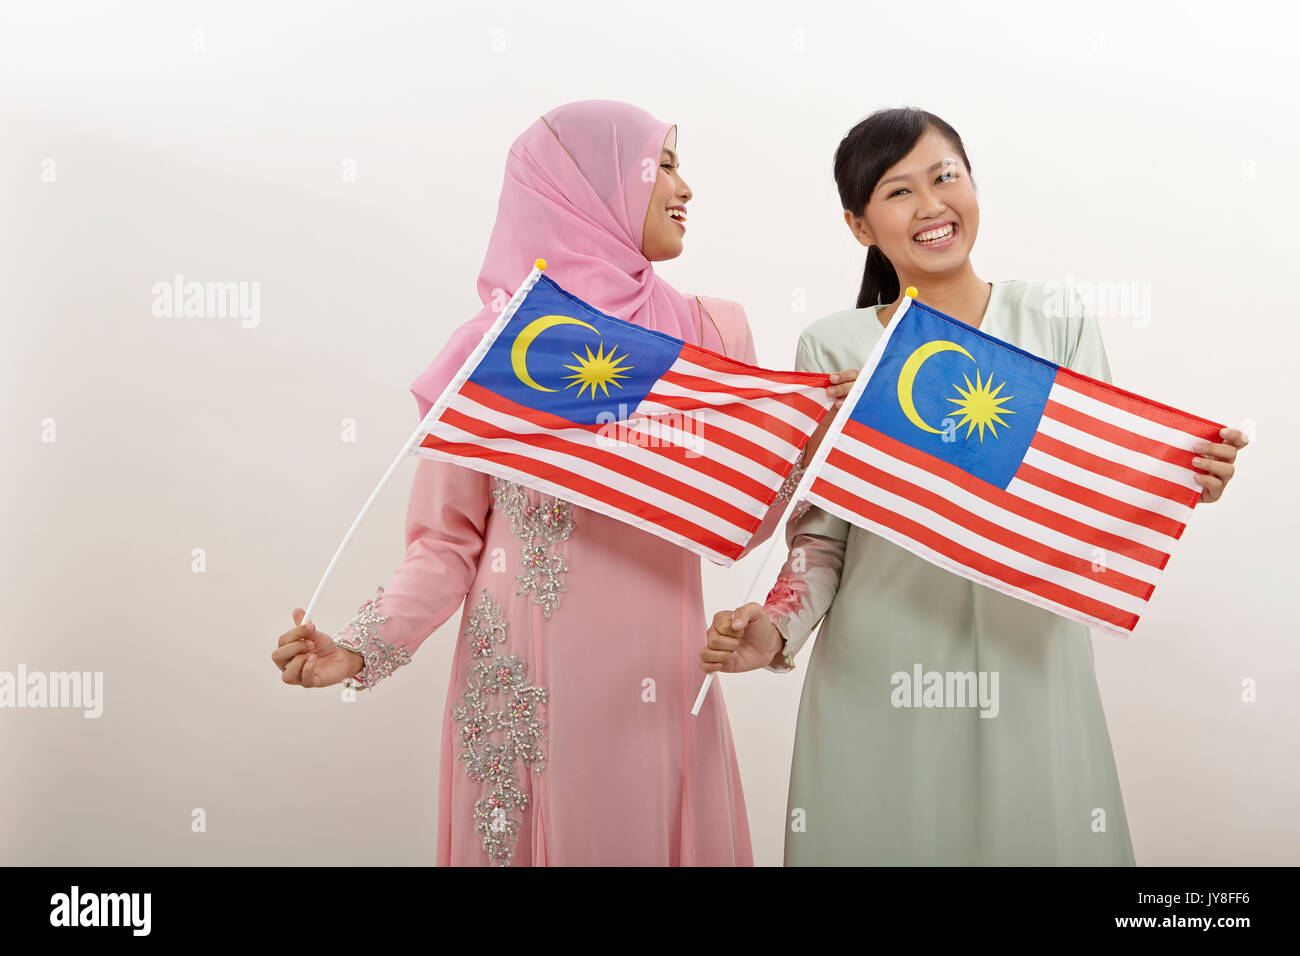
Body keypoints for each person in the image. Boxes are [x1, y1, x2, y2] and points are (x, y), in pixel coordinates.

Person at [270, 99, 851, 866]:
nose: (686, 187)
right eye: (663, 165)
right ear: (587, 188)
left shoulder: (712, 334)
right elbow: (446, 545)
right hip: (522, 696)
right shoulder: (503, 346)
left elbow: (739, 518)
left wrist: (811, 429)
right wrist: (360, 648)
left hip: (655, 691)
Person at [700, 107, 1247, 865]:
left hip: (1031, 662)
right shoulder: (835, 346)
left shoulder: (1053, 317)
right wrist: (777, 628)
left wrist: (1181, 483)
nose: (931, 206)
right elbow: (823, 537)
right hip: (881, 671)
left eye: (944, 176)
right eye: (898, 192)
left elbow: (1101, 488)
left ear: (973, 184)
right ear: (860, 226)